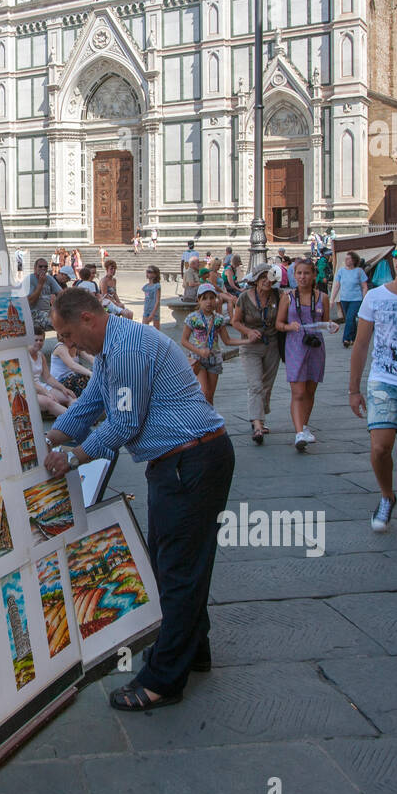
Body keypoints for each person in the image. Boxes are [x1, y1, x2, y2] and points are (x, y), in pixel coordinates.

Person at [45, 288, 234, 709]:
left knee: (176, 568)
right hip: (184, 460)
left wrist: (72, 457)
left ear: (89, 319)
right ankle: (192, 649)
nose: (68, 343)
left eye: (69, 333)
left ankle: (164, 680)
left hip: (191, 461)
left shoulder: (127, 348)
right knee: (180, 562)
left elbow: (125, 422)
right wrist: (43, 440)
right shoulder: (112, 349)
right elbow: (91, 403)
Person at [349, 237, 397, 533]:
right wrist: (353, 389)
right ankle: (387, 496)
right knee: (380, 448)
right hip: (384, 380)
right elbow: (361, 345)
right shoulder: (375, 297)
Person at [277, 256, 337, 451]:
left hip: (315, 346)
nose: (302, 277)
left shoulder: (323, 298)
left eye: (306, 273)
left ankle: (304, 425)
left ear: (314, 275)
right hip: (295, 345)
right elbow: (278, 323)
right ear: (294, 275)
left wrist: (331, 326)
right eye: (299, 273)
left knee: (311, 390)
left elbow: (326, 322)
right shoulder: (287, 297)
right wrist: (289, 326)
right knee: (299, 391)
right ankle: (298, 433)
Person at [232, 263, 281, 445]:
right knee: (255, 384)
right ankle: (257, 424)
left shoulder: (278, 296)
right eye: (263, 278)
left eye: (270, 278)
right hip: (250, 345)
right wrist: (249, 331)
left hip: (272, 345)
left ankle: (261, 418)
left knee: (267, 385)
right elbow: (235, 321)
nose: (267, 282)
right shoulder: (244, 297)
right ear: (256, 281)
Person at [181, 283, 249, 403]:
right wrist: (199, 351)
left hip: (214, 360)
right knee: (204, 392)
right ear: (199, 300)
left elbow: (227, 340)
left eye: (212, 298)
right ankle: (202, 419)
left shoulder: (219, 319)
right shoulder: (192, 318)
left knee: (210, 395)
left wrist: (247, 341)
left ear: (216, 300)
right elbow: (184, 341)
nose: (209, 302)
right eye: (205, 298)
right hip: (198, 359)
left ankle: (210, 420)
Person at [27, 333, 76, 415]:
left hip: (40, 386)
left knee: (68, 396)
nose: (39, 342)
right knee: (51, 402)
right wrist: (47, 393)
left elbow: (48, 378)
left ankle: (83, 417)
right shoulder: (24, 355)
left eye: (41, 340)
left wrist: (63, 388)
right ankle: (73, 421)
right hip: (29, 390)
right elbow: (28, 382)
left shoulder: (40, 355)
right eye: (36, 340)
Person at [332, 251, 368, 348]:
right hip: (344, 298)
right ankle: (354, 337)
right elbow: (337, 286)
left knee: (349, 318)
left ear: (354, 260)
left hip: (356, 299)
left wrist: (365, 299)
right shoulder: (341, 271)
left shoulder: (359, 271)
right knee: (350, 319)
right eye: (346, 258)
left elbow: (364, 286)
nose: (346, 260)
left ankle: (346, 339)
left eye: (348, 259)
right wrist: (332, 299)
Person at [27, 257, 62, 335]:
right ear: (35, 268)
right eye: (40, 266)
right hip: (35, 312)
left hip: (47, 312)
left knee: (66, 319)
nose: (43, 268)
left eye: (45, 267)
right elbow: (30, 301)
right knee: (57, 323)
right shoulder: (30, 279)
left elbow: (61, 293)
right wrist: (40, 285)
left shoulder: (49, 278)